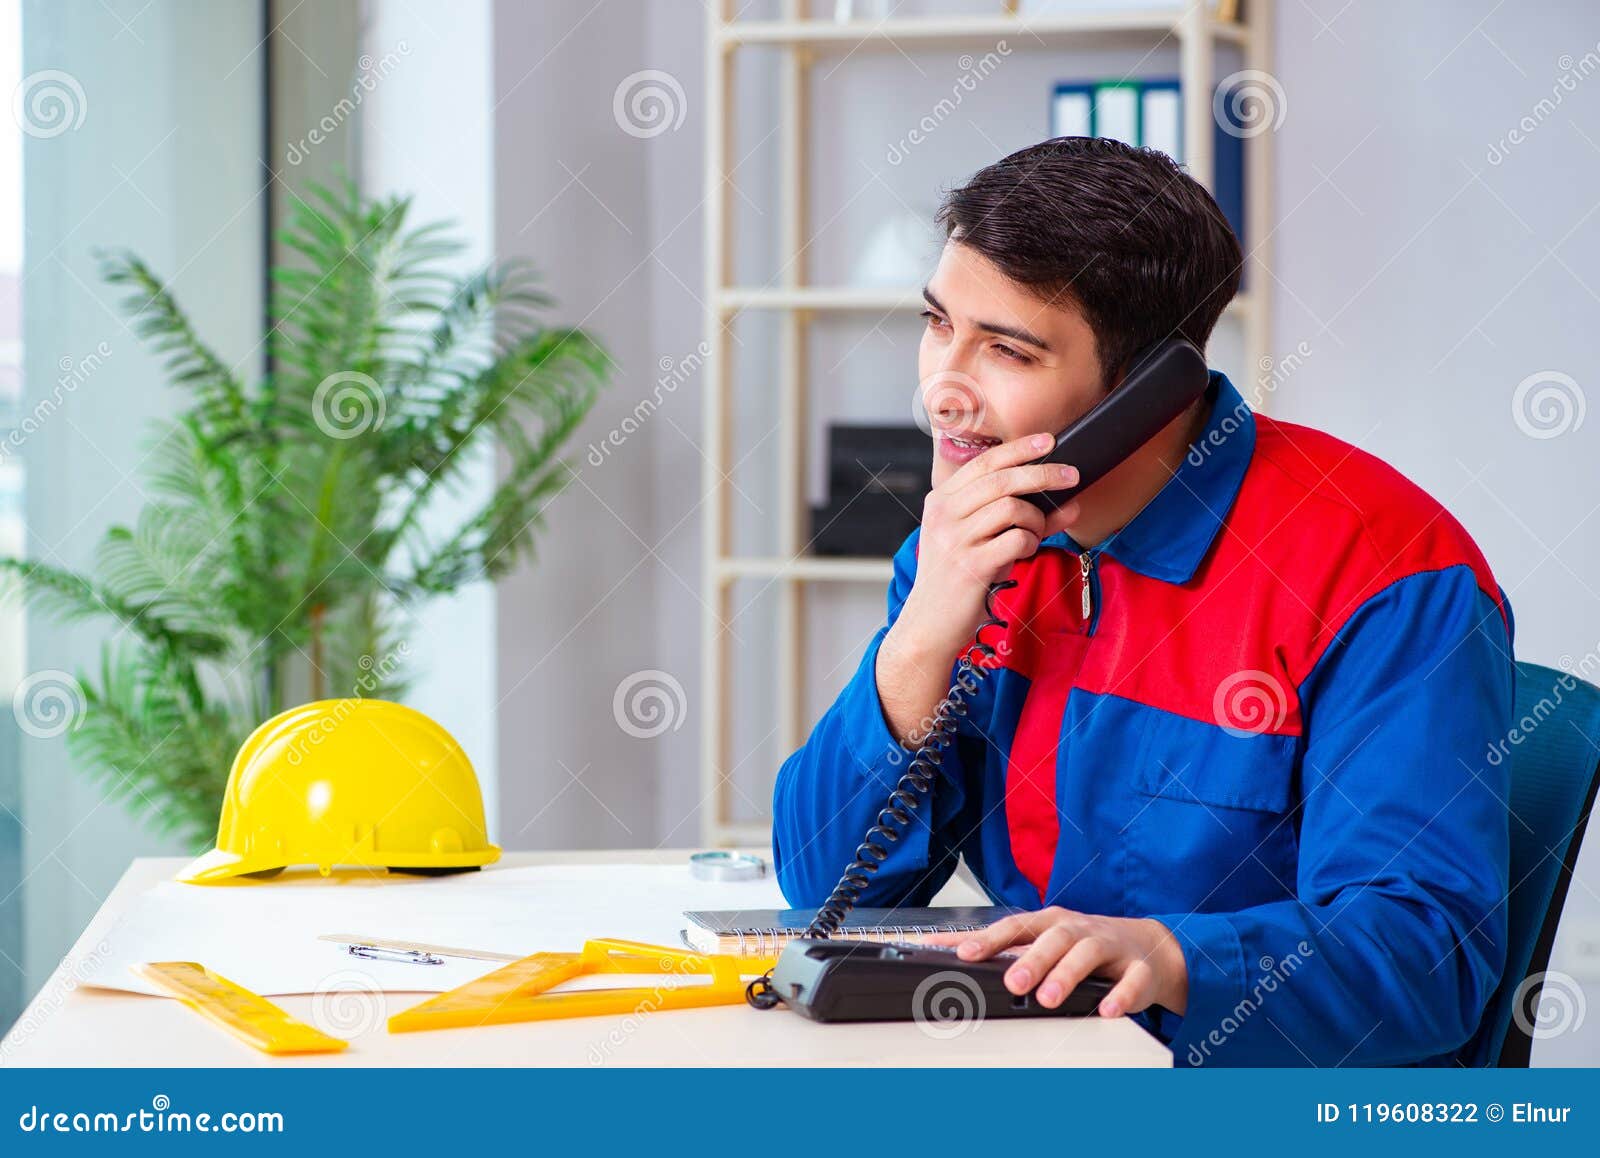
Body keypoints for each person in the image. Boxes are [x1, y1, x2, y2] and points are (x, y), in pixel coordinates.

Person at [771, 137, 1515, 1066]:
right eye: (937, 324)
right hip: (1035, 1065)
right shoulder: (970, 548)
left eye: (1005, 349)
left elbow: (1427, 961)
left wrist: (1171, 960)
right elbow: (821, 892)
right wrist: (922, 635)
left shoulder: (1384, 573)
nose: (942, 392)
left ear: (1150, 390)